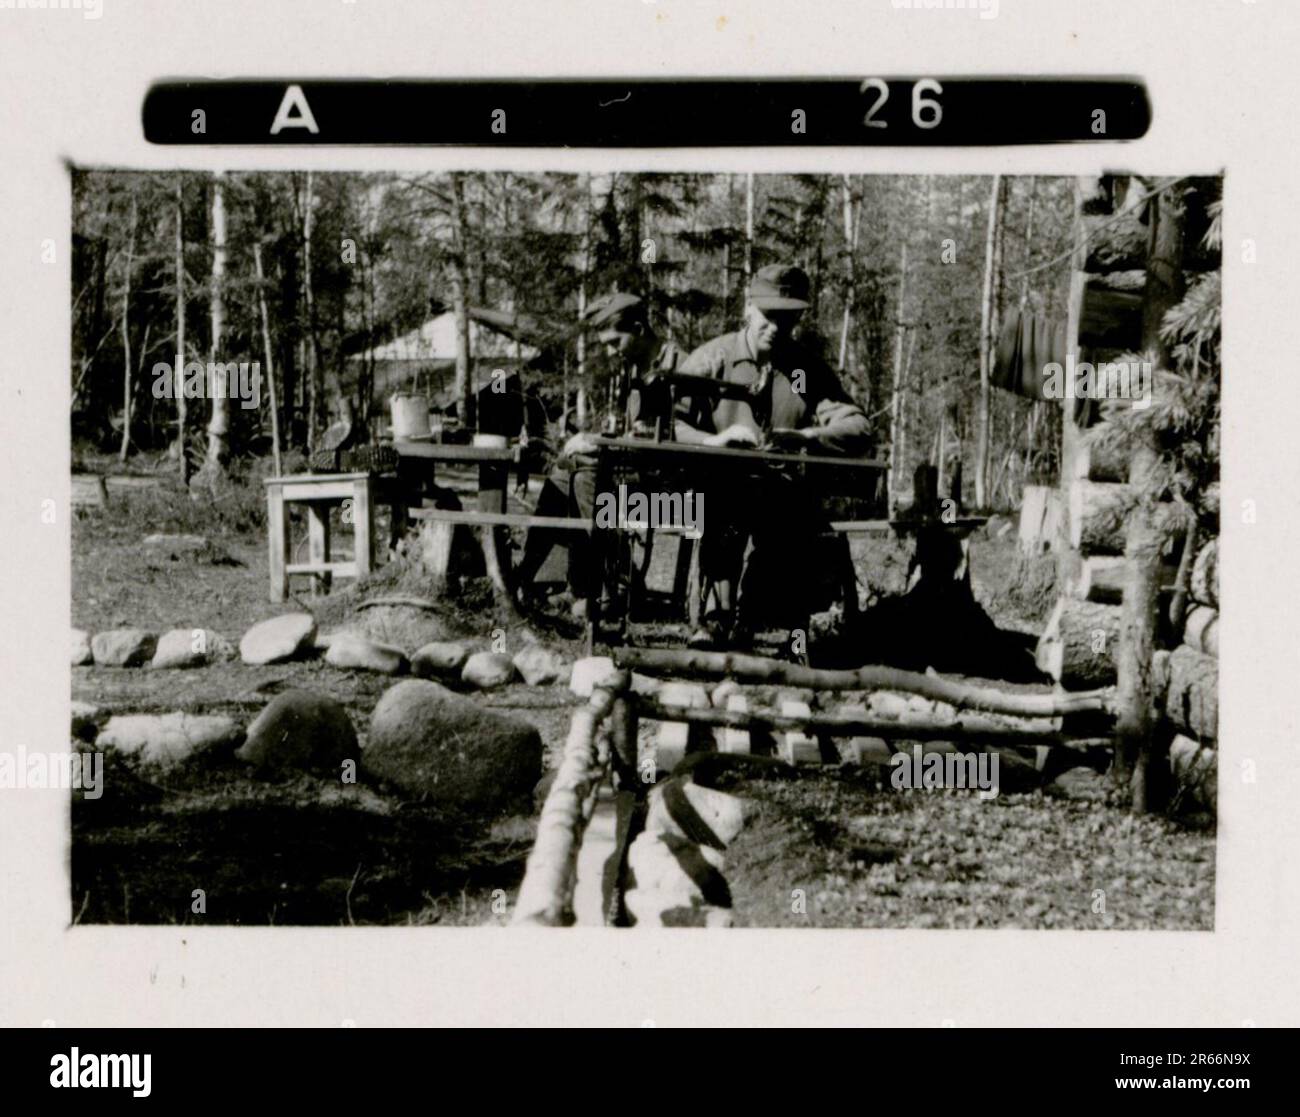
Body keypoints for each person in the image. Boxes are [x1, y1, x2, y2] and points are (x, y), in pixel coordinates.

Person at [674, 264, 872, 647]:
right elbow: (670, 424)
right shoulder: (714, 359)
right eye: (768, 316)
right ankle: (717, 618)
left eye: (788, 318)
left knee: (792, 526)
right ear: (748, 309)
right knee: (725, 511)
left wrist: (806, 436)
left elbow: (857, 426)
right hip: (717, 486)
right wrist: (714, 442)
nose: (776, 327)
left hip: (781, 493)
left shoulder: (803, 369)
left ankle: (754, 619)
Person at [514, 293, 683, 611]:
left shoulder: (680, 365)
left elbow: (678, 437)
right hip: (635, 474)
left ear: (638, 328)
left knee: (585, 476)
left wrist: (598, 441)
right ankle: (526, 578)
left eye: (614, 341)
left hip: (671, 487)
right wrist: (597, 439)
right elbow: (636, 433)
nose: (609, 351)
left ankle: (595, 590)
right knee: (565, 471)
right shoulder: (635, 370)